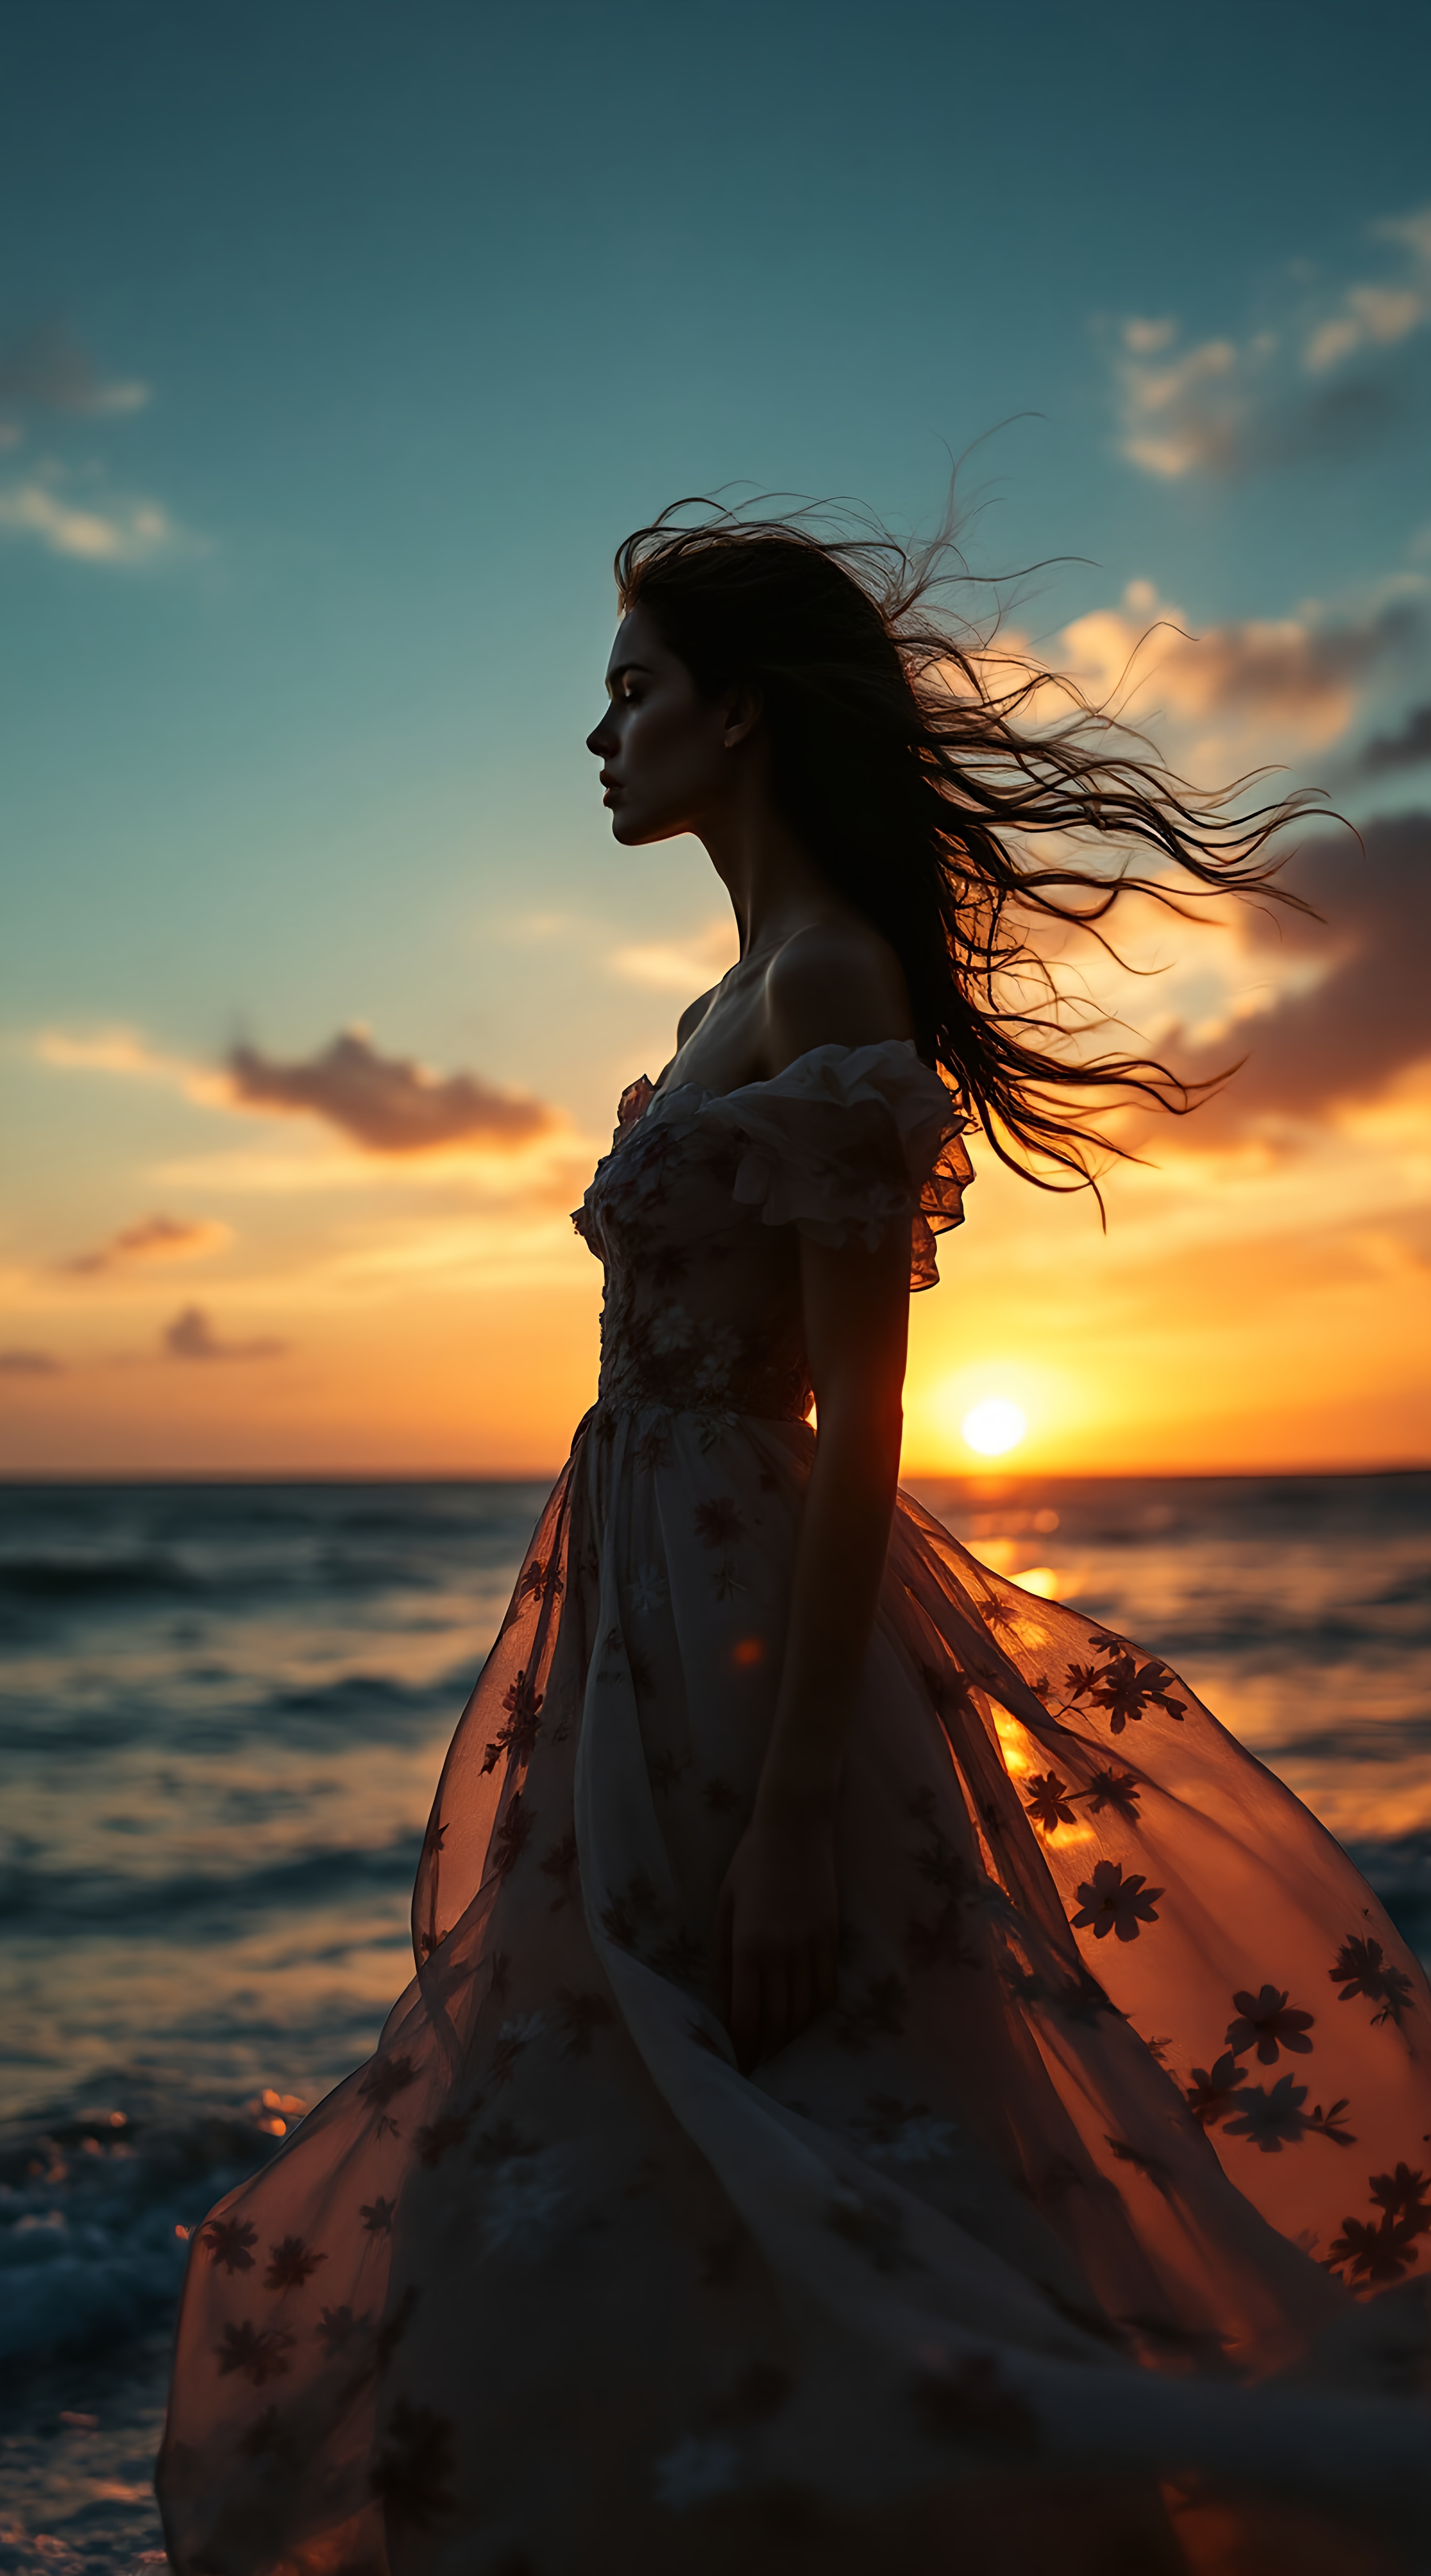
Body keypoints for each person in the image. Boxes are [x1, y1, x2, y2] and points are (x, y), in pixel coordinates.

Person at [158, 505, 1431, 2576]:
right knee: (645, 2103)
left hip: (743, 1620)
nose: (599, 737)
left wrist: (790, 1812)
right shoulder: (721, 997)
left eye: (632, 693)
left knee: (812, 2094)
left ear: (736, 713)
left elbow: (861, 1423)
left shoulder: (826, 979)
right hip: (638, 1609)